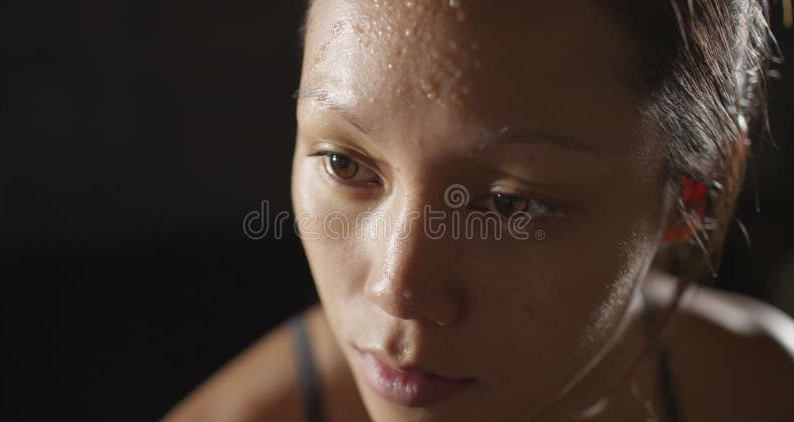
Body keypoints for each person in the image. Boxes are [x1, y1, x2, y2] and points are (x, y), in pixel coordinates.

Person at [164, 0, 794, 420]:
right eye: (345, 164)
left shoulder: (764, 393)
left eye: (509, 203)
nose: (397, 292)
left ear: (691, 194)